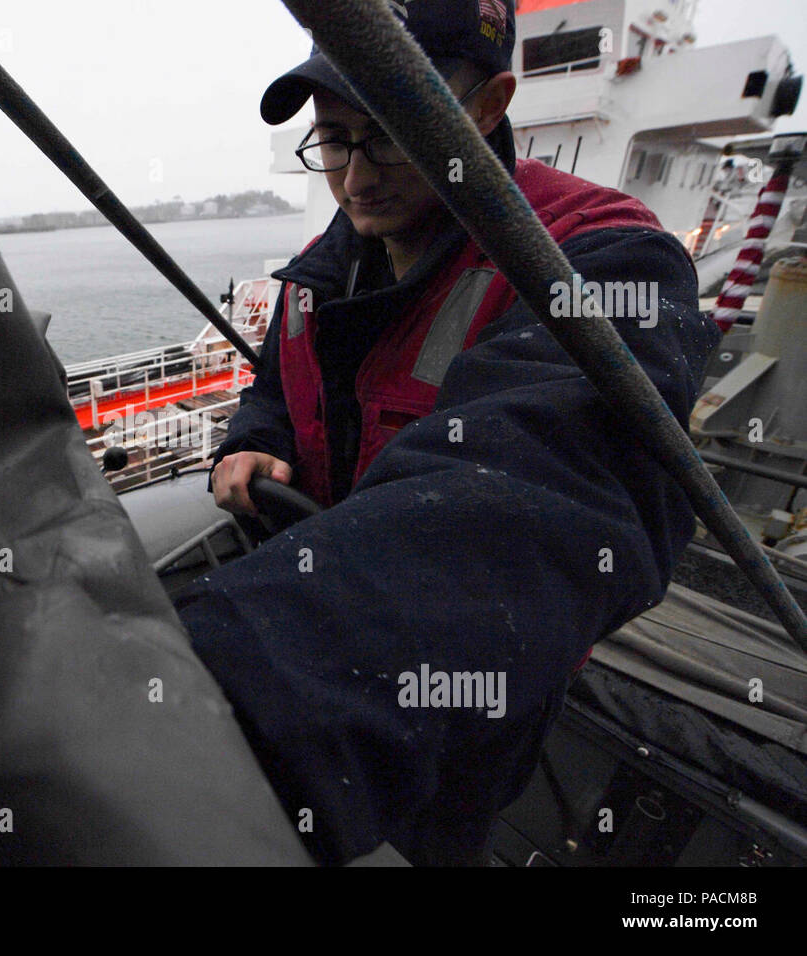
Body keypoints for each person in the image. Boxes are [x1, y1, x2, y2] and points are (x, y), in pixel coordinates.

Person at [175, 0, 722, 865]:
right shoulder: (324, 267)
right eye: (334, 139)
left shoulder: (604, 258)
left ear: (488, 106)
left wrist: (230, 699)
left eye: (390, 134)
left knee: (442, 837)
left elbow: (555, 485)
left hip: (475, 674)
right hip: (335, 599)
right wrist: (252, 432)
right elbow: (282, 385)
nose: (356, 178)